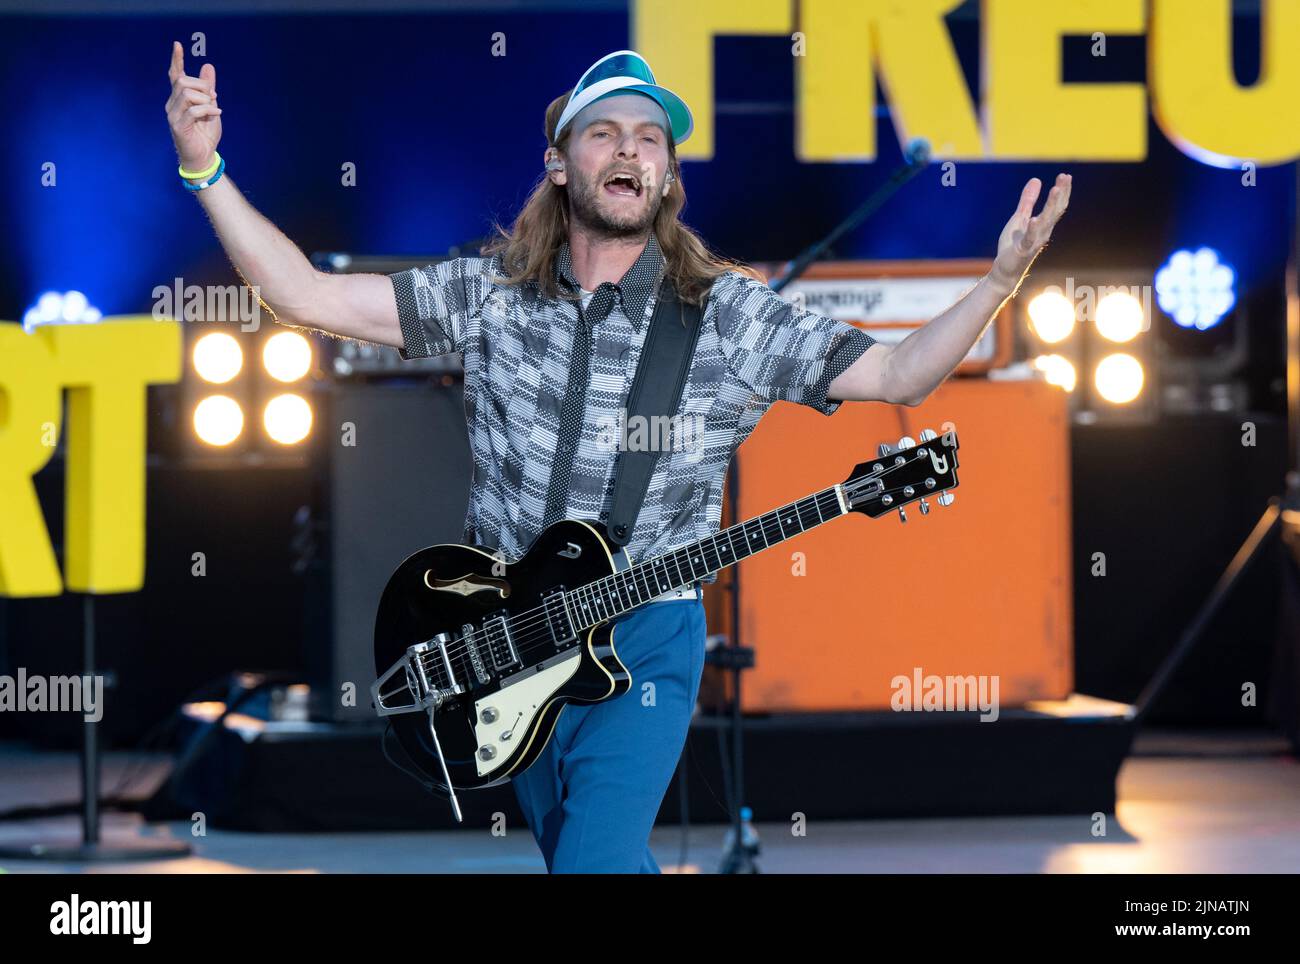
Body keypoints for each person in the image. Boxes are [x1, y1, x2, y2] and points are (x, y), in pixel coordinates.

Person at [165, 43, 1070, 873]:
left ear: (667, 174)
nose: (631, 149)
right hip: (510, 637)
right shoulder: (490, 296)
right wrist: (205, 168)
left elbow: (902, 373)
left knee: (596, 859)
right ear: (562, 163)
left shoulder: (729, 315)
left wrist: (999, 284)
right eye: (605, 132)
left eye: (651, 137)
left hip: (645, 638)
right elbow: (303, 295)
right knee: (583, 863)